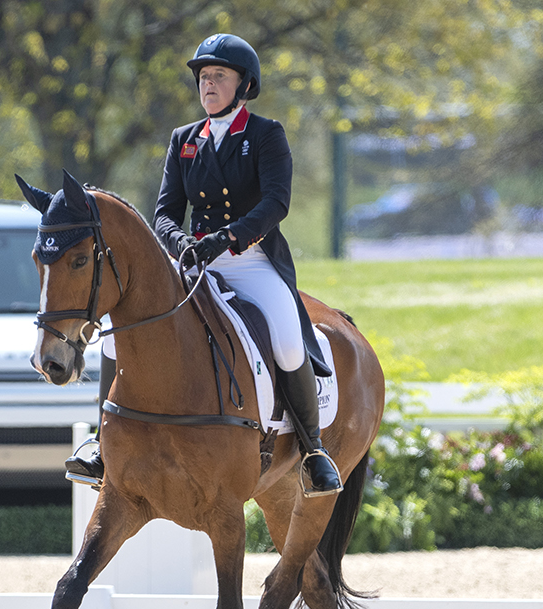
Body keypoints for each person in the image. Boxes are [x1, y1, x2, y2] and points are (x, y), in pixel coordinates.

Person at [65, 32, 342, 497]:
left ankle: (313, 452)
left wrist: (226, 239)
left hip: (250, 260)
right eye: (204, 76)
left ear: (244, 85)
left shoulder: (265, 135)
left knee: (288, 342)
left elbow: (276, 202)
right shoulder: (184, 140)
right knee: (117, 336)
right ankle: (101, 444)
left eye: (219, 75)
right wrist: (177, 241)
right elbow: (165, 212)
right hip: (192, 263)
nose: (208, 84)